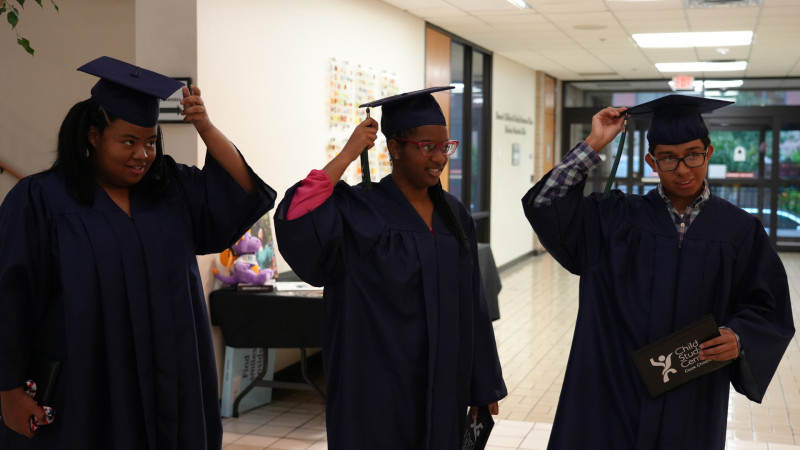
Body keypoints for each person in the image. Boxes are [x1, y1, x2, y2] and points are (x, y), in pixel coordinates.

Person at [0, 56, 276, 449]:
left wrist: (205, 127)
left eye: (150, 142)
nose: (142, 155)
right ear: (93, 136)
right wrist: (8, 388)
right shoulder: (41, 200)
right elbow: (10, 296)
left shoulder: (172, 189)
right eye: (128, 141)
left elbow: (241, 191)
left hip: (171, 377)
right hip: (87, 377)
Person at [521, 95, 794, 450]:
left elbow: (767, 306)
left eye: (693, 155)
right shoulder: (615, 218)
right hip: (612, 387)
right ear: (652, 161)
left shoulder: (739, 230)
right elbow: (546, 204)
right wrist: (594, 144)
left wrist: (738, 337)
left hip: (692, 390)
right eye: (668, 158)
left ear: (709, 153)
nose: (682, 169)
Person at [274, 86, 507, 449]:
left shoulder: (454, 215)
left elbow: (473, 305)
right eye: (426, 147)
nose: (439, 159)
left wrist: (483, 384)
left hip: (444, 386)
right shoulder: (358, 210)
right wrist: (349, 153)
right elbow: (296, 213)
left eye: (444, 147)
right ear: (394, 149)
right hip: (376, 388)